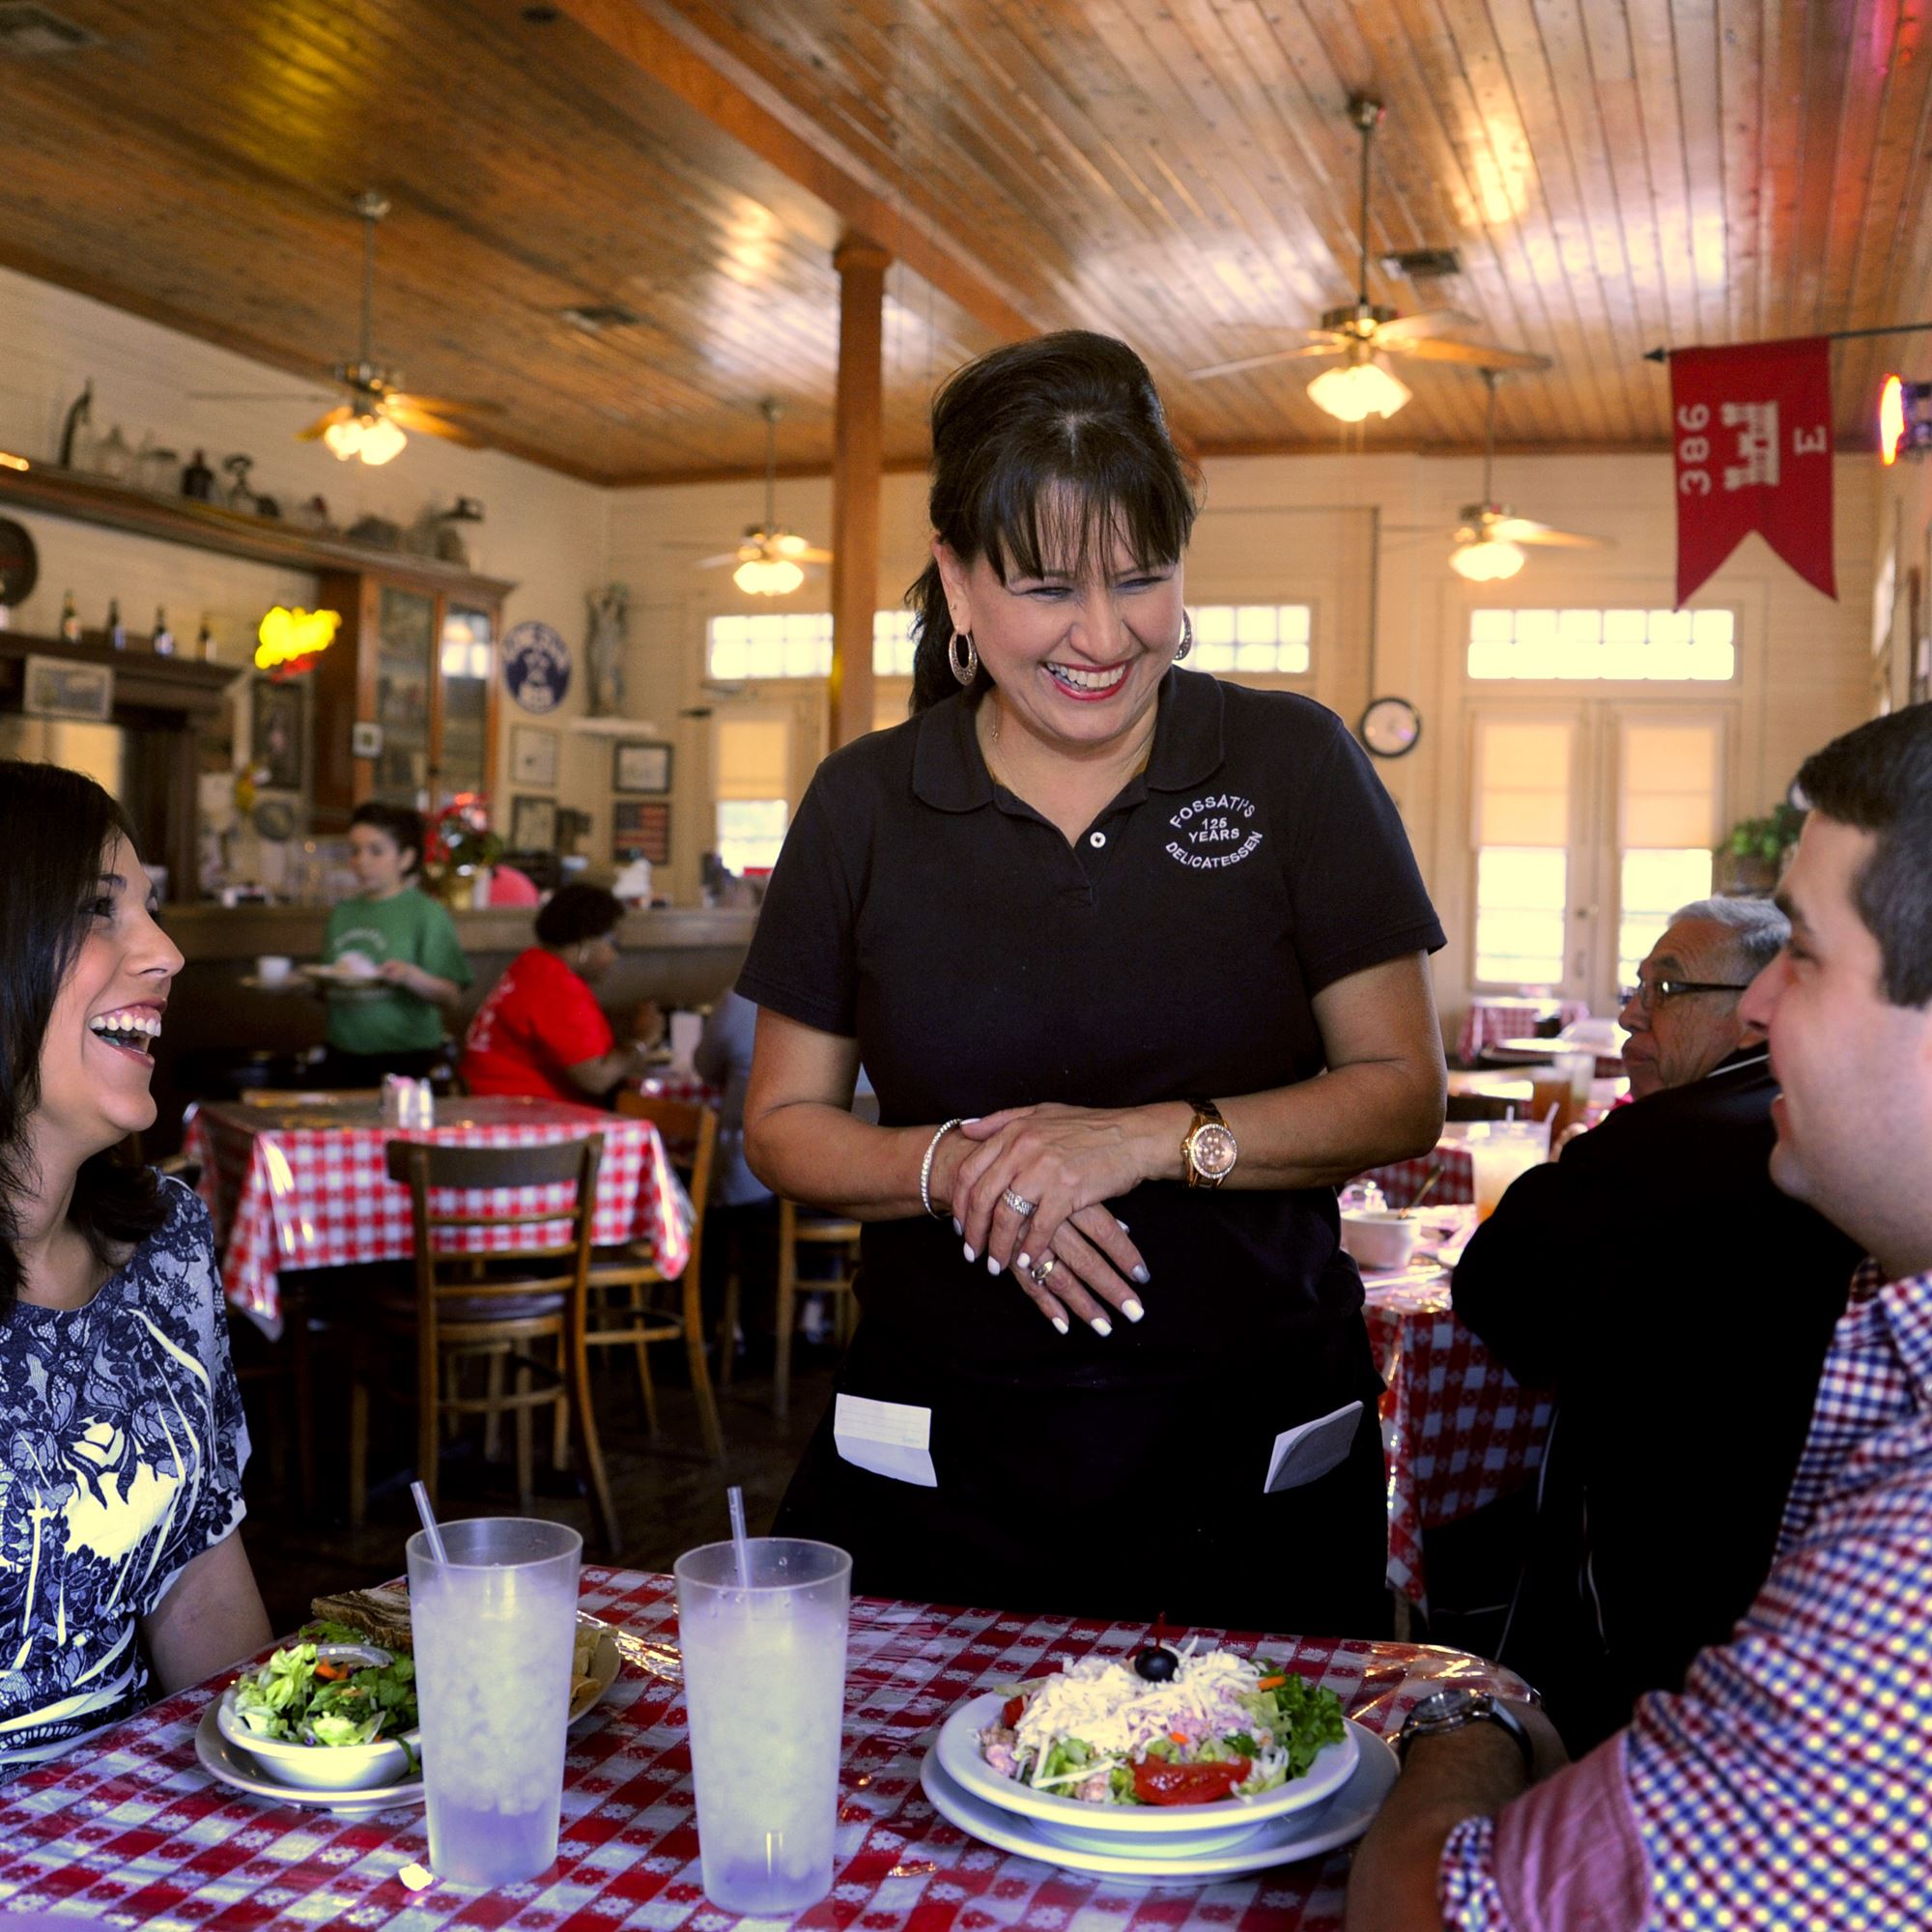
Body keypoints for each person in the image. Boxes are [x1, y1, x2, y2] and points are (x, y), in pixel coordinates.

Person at [739, 330, 1448, 1633]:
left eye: (1143, 580)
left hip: (1249, 1441)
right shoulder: (864, 803)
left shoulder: (1291, 764)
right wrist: (957, 1167)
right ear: (956, 581)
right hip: (944, 1451)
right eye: (1048, 587)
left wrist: (1139, 1143)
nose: (1104, 636)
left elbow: (1401, 1094)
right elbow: (781, 1124)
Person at [1348, 703, 1932, 1932]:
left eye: (1807, 956)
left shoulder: (1907, 1569)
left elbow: (1432, 1913)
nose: (1765, 1008)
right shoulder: (1888, 1326)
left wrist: (1468, 1710)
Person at [1453, 898, 1860, 1751]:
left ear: (1757, 1013)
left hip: (1650, 1587)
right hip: (1801, 1586)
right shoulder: (1828, 1126)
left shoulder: (1651, 1149)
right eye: (1637, 982)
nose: (1633, 1010)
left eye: (1666, 986)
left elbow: (1494, 1296)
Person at [0, 760, 271, 1782]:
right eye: (97, 909)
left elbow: (197, 1570)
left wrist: (282, 1800)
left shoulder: (163, 1240)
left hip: (138, 1843)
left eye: (150, 910)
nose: (165, 951)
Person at [460, 883, 663, 1102]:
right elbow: (596, 1079)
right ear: (585, 939)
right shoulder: (555, 984)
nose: (615, 956)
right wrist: (641, 1041)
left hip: (491, 1107)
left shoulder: (532, 965)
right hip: (524, 1119)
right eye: (613, 943)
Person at [320, 803, 470, 1085]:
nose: (361, 861)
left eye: (375, 851)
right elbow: (330, 982)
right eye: (355, 850)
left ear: (405, 858)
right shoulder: (343, 912)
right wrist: (304, 983)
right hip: (342, 1056)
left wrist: (411, 977)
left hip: (407, 1060)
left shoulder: (427, 913)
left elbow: (452, 996)